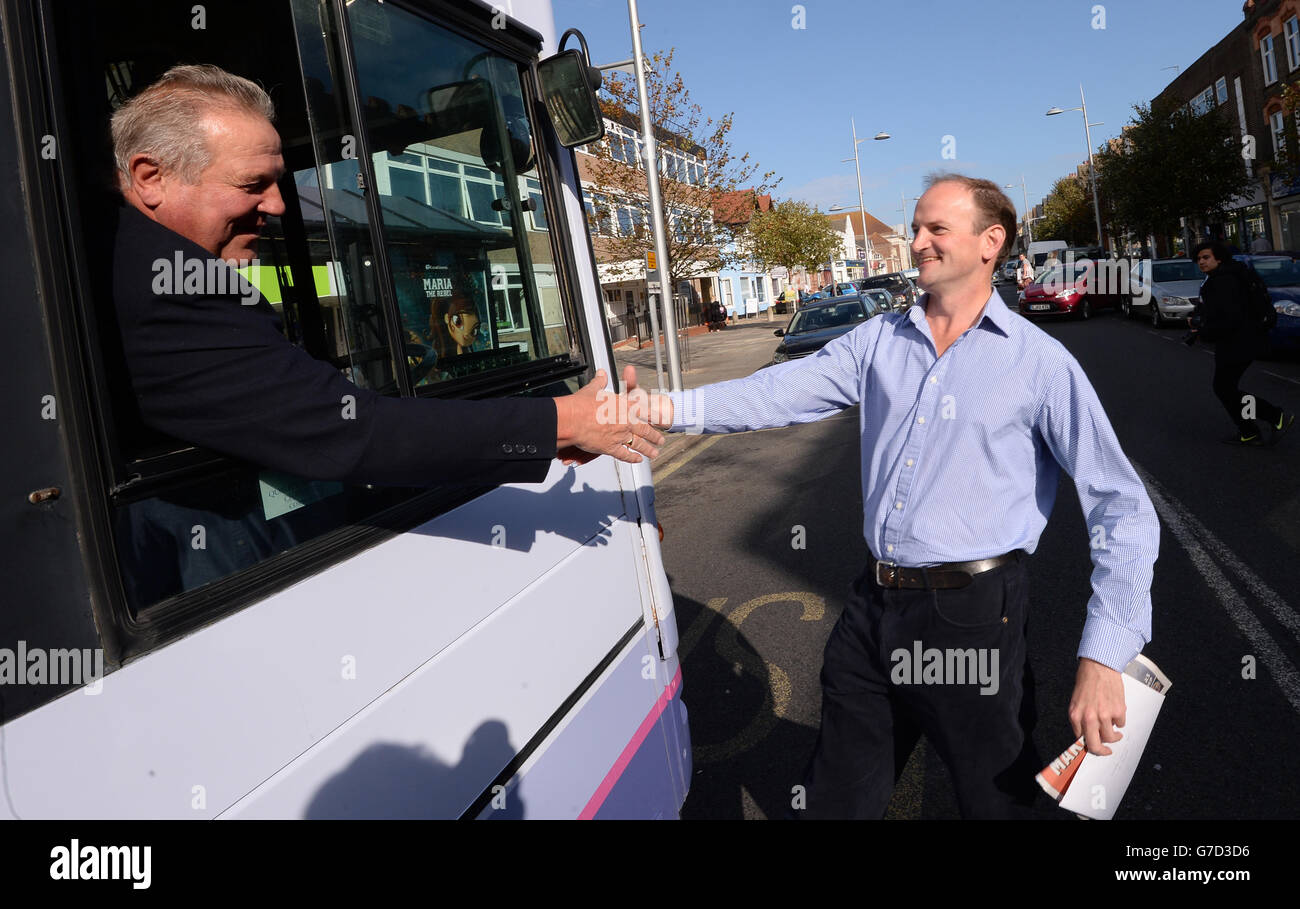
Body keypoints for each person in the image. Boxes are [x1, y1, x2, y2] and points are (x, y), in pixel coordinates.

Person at [638, 173, 1160, 818]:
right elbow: (777, 391)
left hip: (972, 614)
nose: (917, 242)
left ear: (990, 241)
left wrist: (1105, 653)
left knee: (994, 797)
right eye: (915, 227)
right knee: (835, 795)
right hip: (872, 606)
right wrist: (660, 407)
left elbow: (1120, 504)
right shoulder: (880, 339)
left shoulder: (1039, 363)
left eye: (936, 228)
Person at [110, 63, 663, 489]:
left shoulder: (152, 263)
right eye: (252, 184)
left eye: (280, 181)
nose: (279, 205)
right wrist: (560, 420)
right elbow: (347, 431)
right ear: (151, 178)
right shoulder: (174, 284)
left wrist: (544, 434)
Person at [1191, 241, 1293, 445]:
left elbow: (1228, 318)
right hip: (1244, 340)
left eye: (1206, 257)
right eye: (1199, 259)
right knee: (1225, 388)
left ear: (1218, 258)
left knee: (1224, 388)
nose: (1201, 262)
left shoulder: (1222, 281)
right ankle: (1250, 430)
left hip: (1237, 342)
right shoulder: (1231, 274)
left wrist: (1202, 329)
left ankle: (1272, 417)